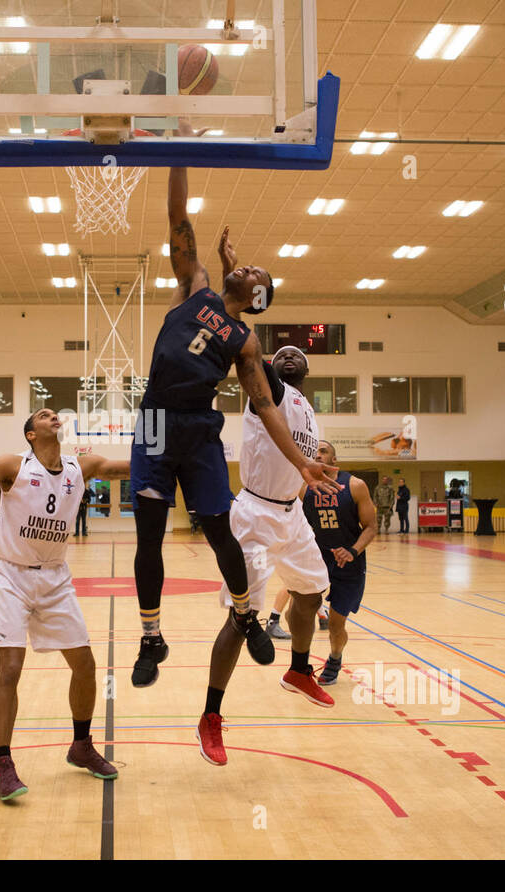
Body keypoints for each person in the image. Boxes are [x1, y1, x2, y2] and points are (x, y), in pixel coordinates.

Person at [129, 138, 334, 693]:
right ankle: (151, 636)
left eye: (255, 271)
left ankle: (246, 614)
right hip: (152, 419)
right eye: (244, 264)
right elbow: (179, 216)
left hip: (197, 427)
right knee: (148, 535)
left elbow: (265, 406)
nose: (248, 263)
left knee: (218, 528)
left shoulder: (245, 340)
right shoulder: (195, 285)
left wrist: (303, 462)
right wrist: (175, 151)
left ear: (258, 296)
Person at [0, 407, 125, 800]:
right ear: (31, 433)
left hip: (55, 576)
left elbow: (128, 467)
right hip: (11, 574)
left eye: (54, 414)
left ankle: (81, 746)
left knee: (85, 664)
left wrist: (181, 449)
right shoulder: (12, 463)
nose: (52, 415)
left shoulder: (83, 466)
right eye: (43, 415)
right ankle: (3, 765)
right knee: (10, 668)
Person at [202, 347, 336, 765]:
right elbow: (253, 360)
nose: (289, 357)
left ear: (309, 370)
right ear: (271, 368)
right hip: (255, 516)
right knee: (242, 619)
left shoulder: (308, 410)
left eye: (297, 355)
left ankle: (298, 669)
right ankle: (210, 716)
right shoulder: (269, 392)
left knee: (313, 593)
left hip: (291, 511)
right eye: (281, 355)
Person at [307, 442, 378, 687]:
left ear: (334, 459)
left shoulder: (355, 485)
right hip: (318, 560)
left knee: (336, 625)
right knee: (300, 611)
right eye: (314, 450)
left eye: (324, 450)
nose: (318, 453)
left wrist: (352, 551)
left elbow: (371, 527)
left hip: (348, 560)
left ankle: (335, 658)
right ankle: (299, 664)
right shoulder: (303, 487)